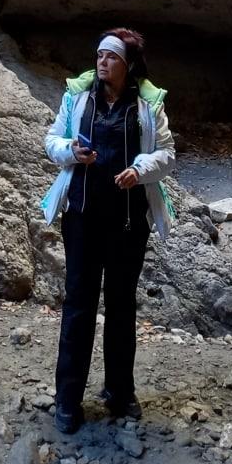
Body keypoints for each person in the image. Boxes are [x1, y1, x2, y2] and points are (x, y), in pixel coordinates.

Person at [41, 27, 176, 434]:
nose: (102, 62)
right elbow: (52, 140)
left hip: (128, 221)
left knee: (120, 307)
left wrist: (139, 170)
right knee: (79, 306)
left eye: (111, 57)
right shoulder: (78, 99)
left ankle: (119, 392)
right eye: (100, 55)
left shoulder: (147, 107)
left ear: (128, 64)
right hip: (81, 216)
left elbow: (167, 155)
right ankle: (67, 400)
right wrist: (70, 152)